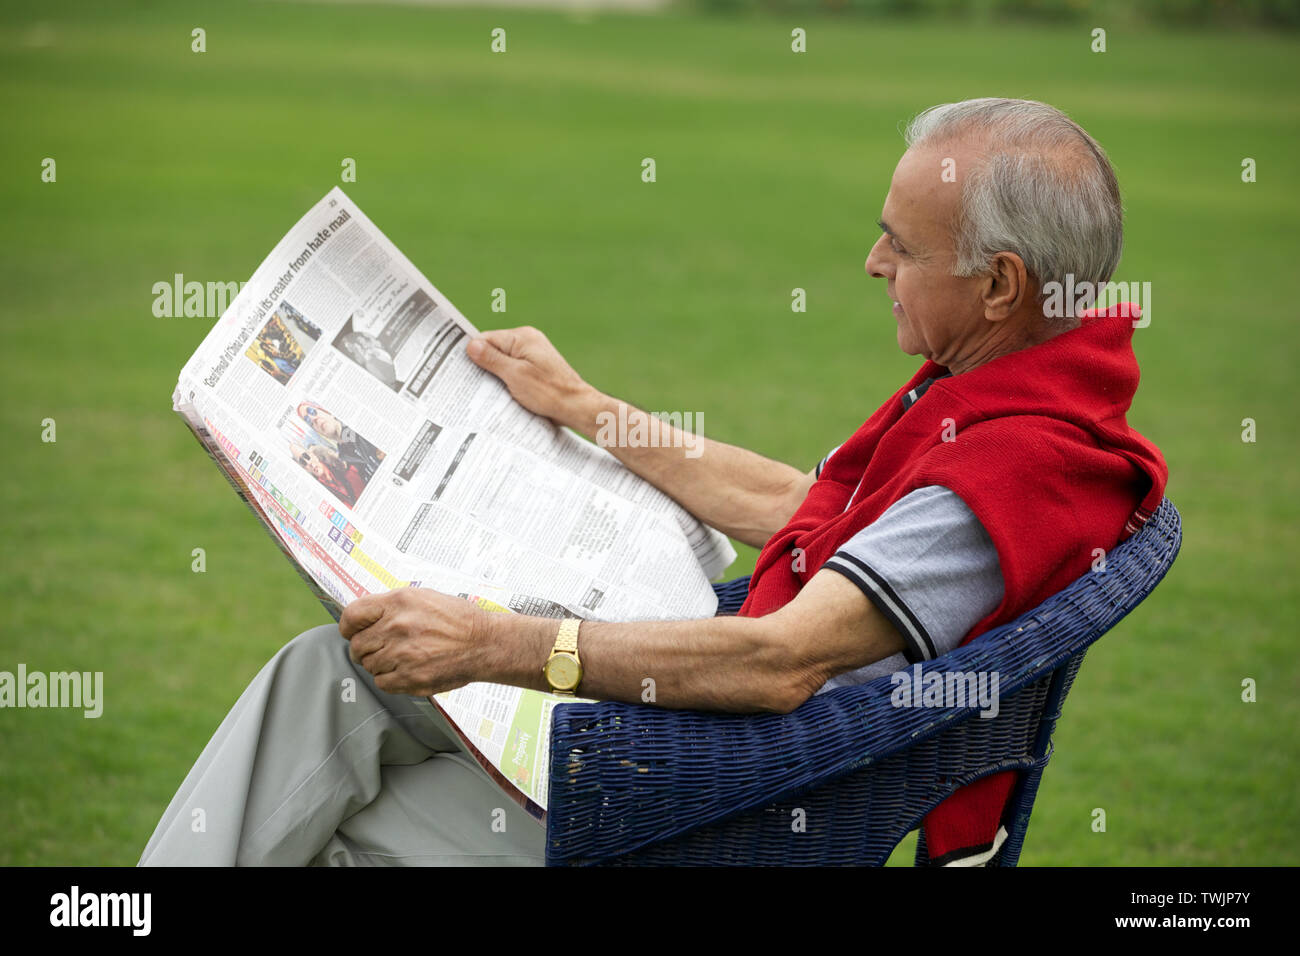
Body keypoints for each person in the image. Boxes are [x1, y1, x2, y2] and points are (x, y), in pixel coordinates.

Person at [140, 98, 1166, 867]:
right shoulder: (1032, 398)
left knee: (329, 831)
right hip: (694, 748)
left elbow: (777, 663)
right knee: (329, 675)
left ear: (999, 284)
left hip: (705, 805)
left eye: (901, 244)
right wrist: (584, 406)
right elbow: (803, 512)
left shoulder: (1011, 469)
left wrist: (493, 640)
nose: (870, 261)